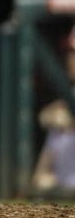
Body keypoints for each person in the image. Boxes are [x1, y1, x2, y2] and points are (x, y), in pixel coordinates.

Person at [33, 26, 75, 192]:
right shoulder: (67, 98)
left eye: (73, 53)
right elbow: (47, 160)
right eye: (69, 53)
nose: (69, 59)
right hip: (65, 193)